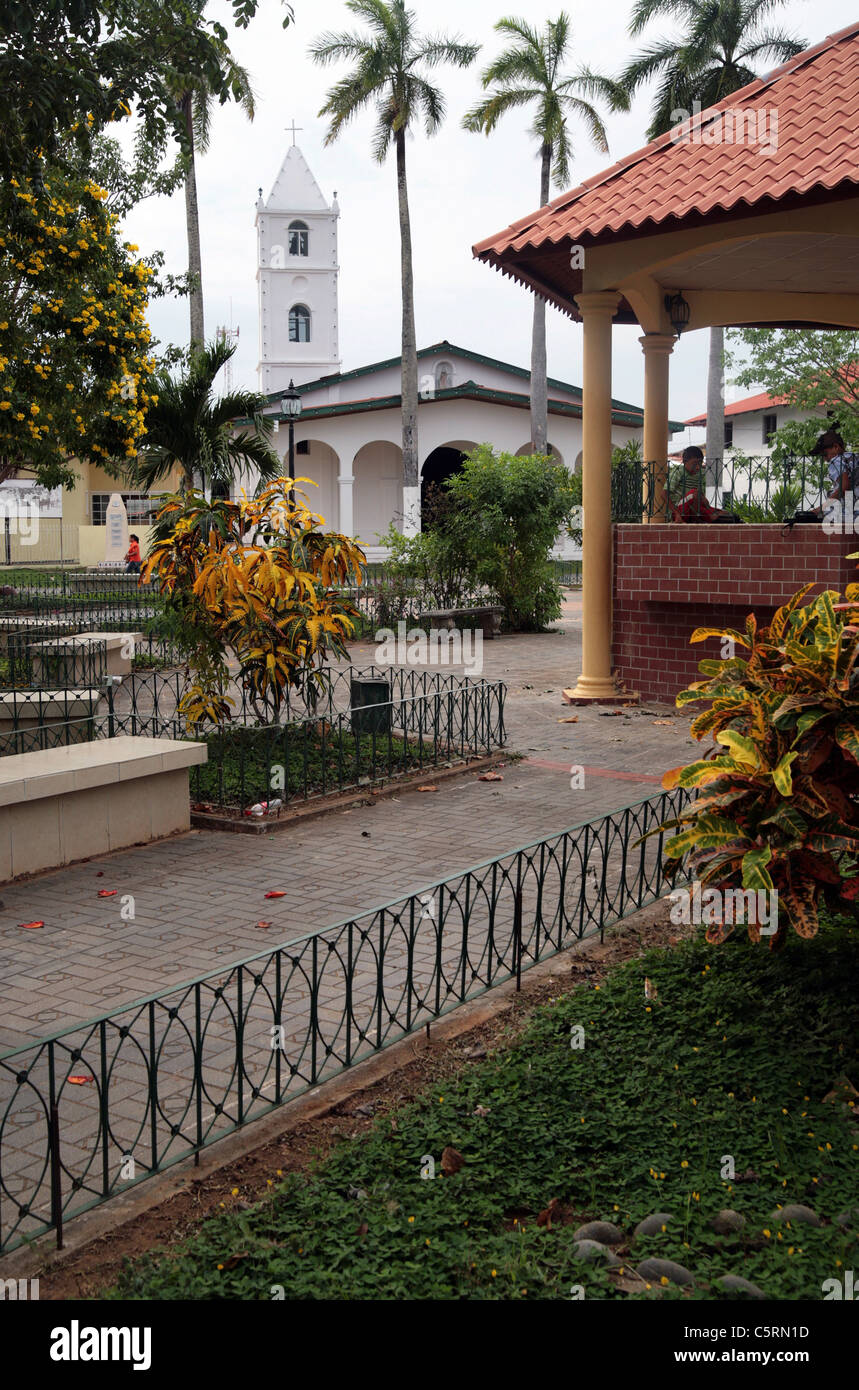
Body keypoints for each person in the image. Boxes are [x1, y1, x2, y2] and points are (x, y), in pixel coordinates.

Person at [673, 447, 736, 522]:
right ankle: (696, 519)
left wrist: (708, 506)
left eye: (700, 464)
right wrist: (676, 513)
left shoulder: (700, 474)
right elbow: (664, 494)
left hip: (695, 507)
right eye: (694, 464)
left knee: (719, 513)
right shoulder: (678, 472)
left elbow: (701, 496)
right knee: (695, 493)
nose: (697, 467)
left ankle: (731, 519)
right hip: (680, 509)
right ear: (684, 461)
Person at [810, 430, 859, 526]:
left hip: (849, 512)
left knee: (820, 517)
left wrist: (821, 508)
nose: (825, 459)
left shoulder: (836, 461)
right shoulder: (855, 457)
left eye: (825, 454)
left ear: (836, 447)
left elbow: (844, 487)